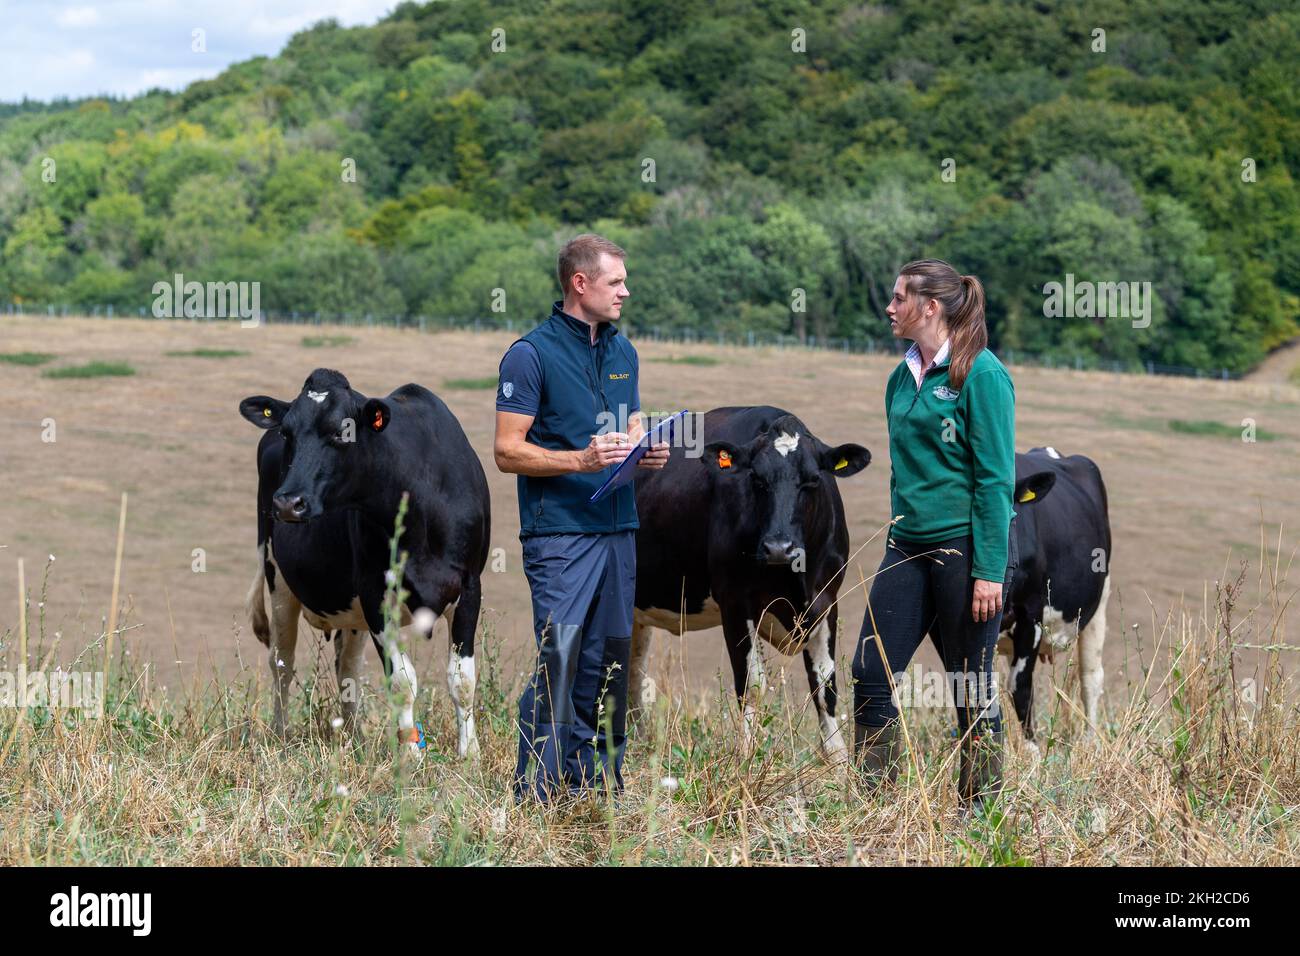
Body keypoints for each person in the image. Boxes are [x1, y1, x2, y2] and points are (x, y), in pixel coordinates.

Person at [494, 233, 669, 802]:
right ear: (580, 283)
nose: (626, 291)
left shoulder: (624, 353)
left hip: (620, 529)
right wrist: (581, 459)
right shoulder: (530, 355)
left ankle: (598, 788)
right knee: (561, 657)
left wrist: (649, 448)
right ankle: (536, 794)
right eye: (616, 281)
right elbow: (506, 450)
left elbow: (631, 424)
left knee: (609, 659)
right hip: (561, 535)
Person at [851, 258, 1017, 811]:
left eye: (900, 298)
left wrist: (990, 571)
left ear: (930, 307)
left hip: (963, 552)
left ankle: (981, 810)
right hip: (907, 546)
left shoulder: (982, 375)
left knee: (970, 683)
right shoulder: (901, 377)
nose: (890, 307)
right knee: (870, 672)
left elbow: (996, 480)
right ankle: (878, 806)